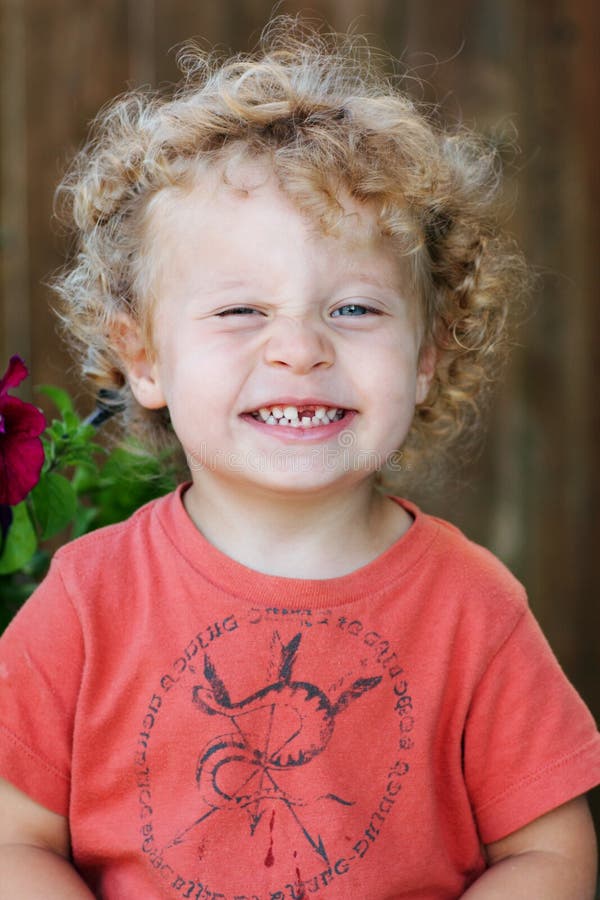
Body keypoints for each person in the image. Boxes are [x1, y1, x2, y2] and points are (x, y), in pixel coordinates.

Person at [0, 16, 598, 900]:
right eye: (241, 311)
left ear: (428, 355)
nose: (299, 349)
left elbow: (551, 856)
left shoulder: (474, 609)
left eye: (353, 310)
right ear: (145, 360)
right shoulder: (88, 600)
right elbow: (15, 839)